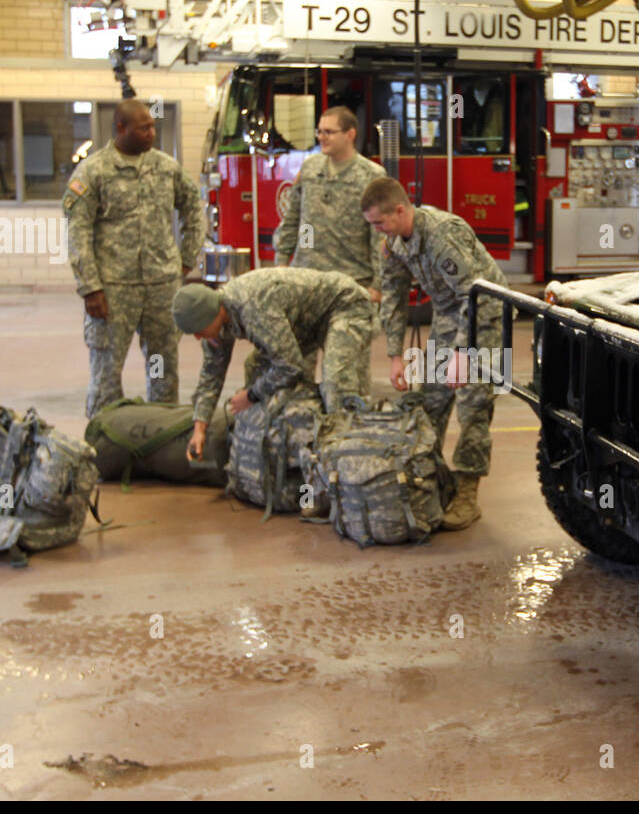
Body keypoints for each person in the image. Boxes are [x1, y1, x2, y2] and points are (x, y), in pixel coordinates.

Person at [360, 177, 507, 531]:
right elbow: (393, 296)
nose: (377, 231)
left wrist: (462, 353)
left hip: (485, 313)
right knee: (431, 401)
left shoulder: (442, 234)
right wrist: (395, 355)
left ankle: (468, 495)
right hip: (448, 313)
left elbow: (475, 294)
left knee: (473, 406)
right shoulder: (394, 242)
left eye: (380, 222)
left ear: (400, 210)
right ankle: (431, 479)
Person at [63, 99, 205, 417]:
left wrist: (185, 260)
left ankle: (159, 429)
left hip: (161, 288)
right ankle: (107, 438)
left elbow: (194, 207)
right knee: (107, 370)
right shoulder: (93, 171)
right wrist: (90, 287)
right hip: (113, 290)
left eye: (153, 126)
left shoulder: (166, 168)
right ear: (121, 128)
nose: (151, 133)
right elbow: (78, 231)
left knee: (161, 365)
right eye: (144, 128)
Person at [172, 269, 372, 461]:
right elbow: (211, 374)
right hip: (306, 323)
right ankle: (281, 445)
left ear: (211, 315)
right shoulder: (216, 318)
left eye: (198, 331)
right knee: (255, 367)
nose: (198, 338)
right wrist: (199, 430)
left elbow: (290, 365)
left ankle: (346, 461)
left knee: (335, 381)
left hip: (345, 306)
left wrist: (252, 395)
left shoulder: (253, 308)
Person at [272, 106, 386, 301]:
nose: (321, 137)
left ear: (350, 135)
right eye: (319, 131)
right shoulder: (310, 168)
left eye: (329, 132)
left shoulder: (372, 176)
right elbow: (294, 218)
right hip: (306, 278)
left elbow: (379, 236)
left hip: (351, 283)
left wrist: (377, 285)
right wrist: (282, 261)